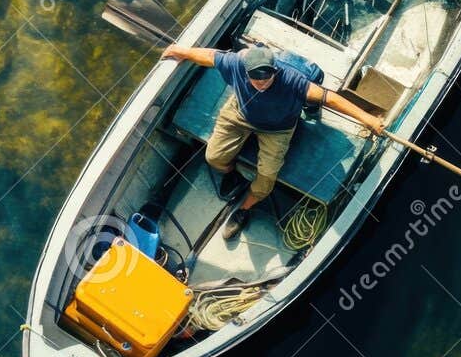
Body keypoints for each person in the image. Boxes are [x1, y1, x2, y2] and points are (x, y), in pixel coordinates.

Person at [162, 44, 384, 239]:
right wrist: (180, 51)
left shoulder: (292, 80)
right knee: (213, 158)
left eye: (267, 79)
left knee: (266, 177)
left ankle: (244, 209)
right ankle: (232, 175)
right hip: (239, 114)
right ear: (244, 70)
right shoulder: (235, 63)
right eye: (255, 79)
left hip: (278, 129)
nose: (261, 84)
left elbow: (330, 98)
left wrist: (367, 119)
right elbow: (209, 56)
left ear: (275, 71)